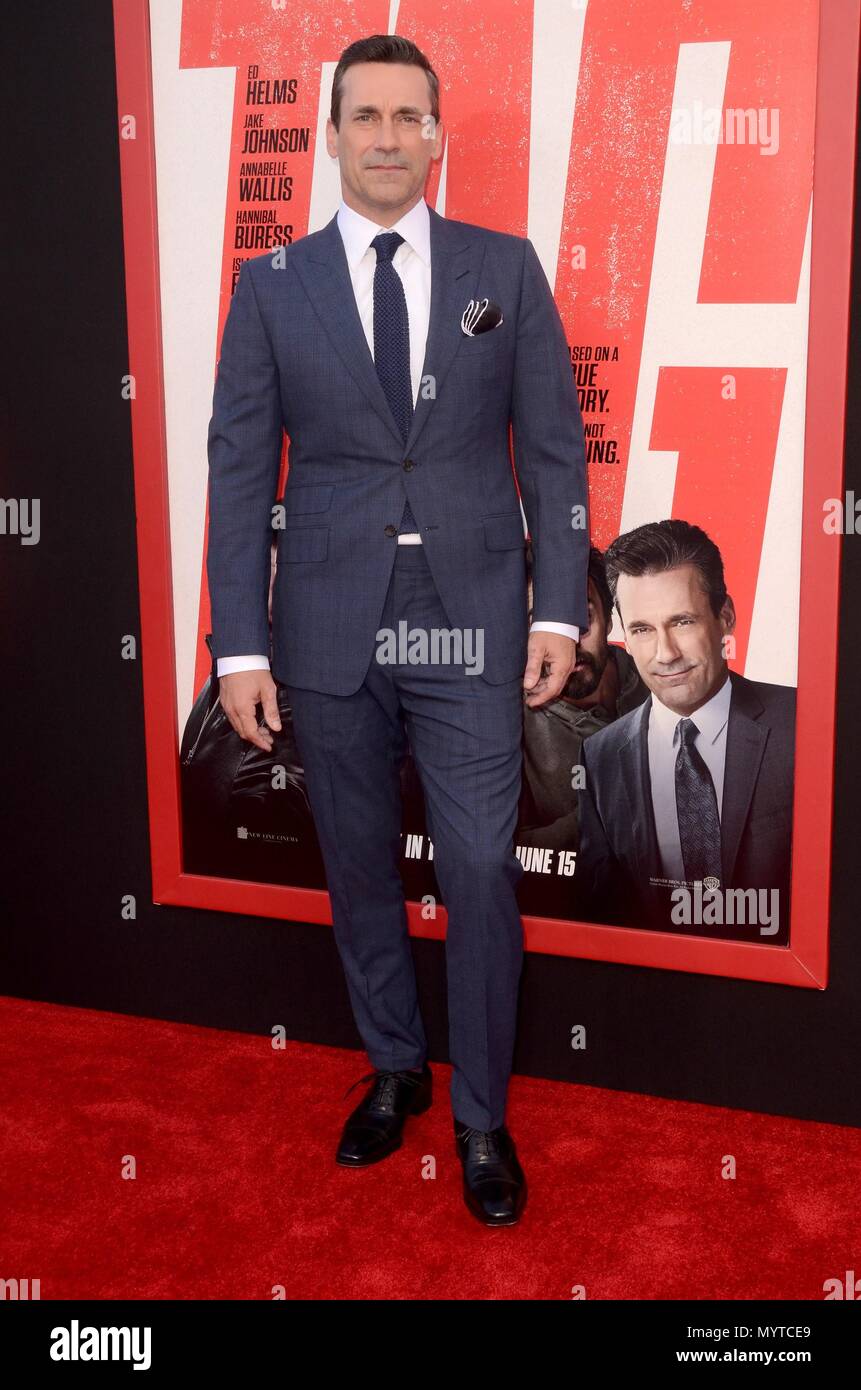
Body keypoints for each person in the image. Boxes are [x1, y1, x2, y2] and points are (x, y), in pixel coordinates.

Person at [206, 34, 589, 1225]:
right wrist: (239, 645)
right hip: (328, 622)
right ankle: (394, 1067)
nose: (386, 137)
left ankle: (481, 1117)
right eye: (363, 116)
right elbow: (238, 471)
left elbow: (554, 452)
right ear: (331, 135)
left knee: (476, 862)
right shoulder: (273, 285)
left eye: (407, 117)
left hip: (469, 617)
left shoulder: (502, 268)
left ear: (436, 136)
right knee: (360, 861)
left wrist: (560, 606)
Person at [577, 520, 795, 942]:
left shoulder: (802, 726)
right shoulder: (599, 757)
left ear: (725, 617)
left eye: (682, 622)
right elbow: (603, 918)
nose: (666, 654)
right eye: (642, 629)